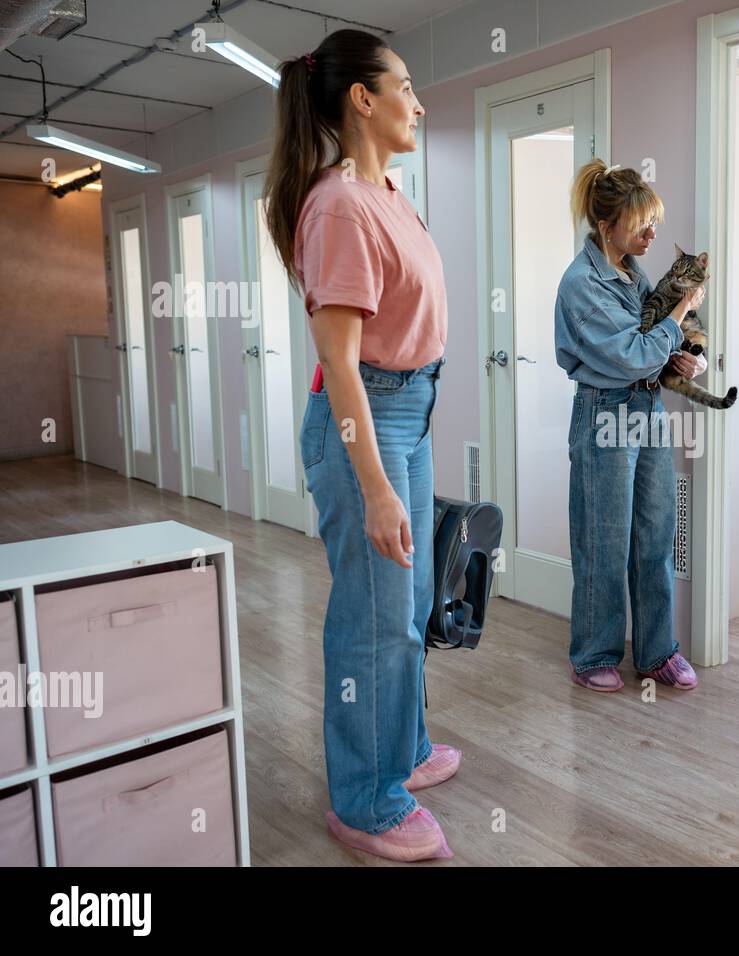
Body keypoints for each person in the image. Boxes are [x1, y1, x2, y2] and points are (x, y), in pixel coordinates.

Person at [264, 28, 458, 863]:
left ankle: (404, 754)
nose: (419, 101)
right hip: (364, 423)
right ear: (361, 98)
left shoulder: (387, 191)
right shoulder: (340, 203)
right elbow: (338, 362)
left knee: (407, 610)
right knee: (373, 620)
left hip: (408, 412)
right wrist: (374, 485)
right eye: (405, 86)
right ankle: (364, 802)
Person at [554, 159, 708, 693]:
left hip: (645, 409)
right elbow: (632, 352)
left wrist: (685, 362)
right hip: (605, 413)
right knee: (604, 539)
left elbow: (652, 351)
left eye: (654, 222)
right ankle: (594, 652)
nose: (652, 233)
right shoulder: (581, 284)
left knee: (655, 532)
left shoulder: (630, 271)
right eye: (642, 223)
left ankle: (656, 651)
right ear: (606, 226)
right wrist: (683, 307)